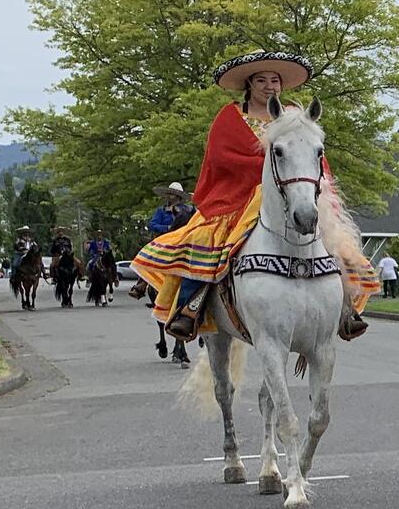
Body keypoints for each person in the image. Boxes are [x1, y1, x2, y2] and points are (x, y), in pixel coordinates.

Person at [131, 51, 378, 342]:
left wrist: (317, 191)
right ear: (250, 83)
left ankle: (345, 308)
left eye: (275, 80)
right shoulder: (229, 116)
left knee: (338, 242)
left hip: (291, 193)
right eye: (262, 80)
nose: (269, 85)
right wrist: (266, 169)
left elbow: (312, 157)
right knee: (200, 238)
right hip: (235, 197)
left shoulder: (295, 119)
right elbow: (221, 158)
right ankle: (190, 307)